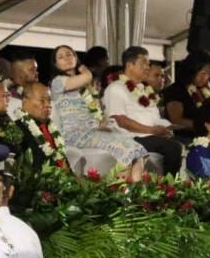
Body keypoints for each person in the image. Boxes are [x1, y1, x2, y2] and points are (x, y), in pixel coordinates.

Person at [48, 45, 146, 179]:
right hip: (76, 134)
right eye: (61, 57)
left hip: (92, 131)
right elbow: (87, 76)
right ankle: (125, 191)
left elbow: (93, 111)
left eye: (69, 54)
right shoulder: (58, 82)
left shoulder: (85, 87)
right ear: (56, 64)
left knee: (138, 152)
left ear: (75, 57)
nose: (66, 58)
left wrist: (100, 124)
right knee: (128, 148)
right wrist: (84, 69)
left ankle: (134, 191)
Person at [103, 46, 182, 175]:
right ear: (130, 65)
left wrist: (166, 128)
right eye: (144, 63)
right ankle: (169, 188)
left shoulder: (144, 90)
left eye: (148, 63)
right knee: (174, 148)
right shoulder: (116, 88)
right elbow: (121, 120)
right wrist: (151, 130)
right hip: (129, 138)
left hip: (149, 136)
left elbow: (155, 118)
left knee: (177, 142)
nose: (147, 67)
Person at [12, 82, 68, 175]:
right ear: (25, 101)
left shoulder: (52, 129)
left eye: (49, 100)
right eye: (42, 100)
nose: (47, 105)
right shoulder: (18, 130)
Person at [163, 53, 210, 136]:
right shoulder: (175, 90)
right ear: (191, 70)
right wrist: (206, 126)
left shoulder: (204, 91)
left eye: (209, 74)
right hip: (184, 139)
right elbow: (177, 121)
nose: (206, 78)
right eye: (203, 73)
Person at [2, 54, 40, 122]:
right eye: (32, 70)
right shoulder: (4, 98)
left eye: (36, 69)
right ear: (18, 72)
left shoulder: (41, 94)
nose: (37, 73)